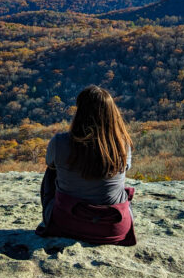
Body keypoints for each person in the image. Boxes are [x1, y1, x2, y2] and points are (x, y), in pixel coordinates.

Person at [36, 85, 136, 246]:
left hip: (67, 224)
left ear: (79, 112)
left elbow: (50, 164)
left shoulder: (59, 142)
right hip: (113, 228)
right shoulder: (122, 144)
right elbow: (126, 168)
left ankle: (54, 218)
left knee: (52, 170)